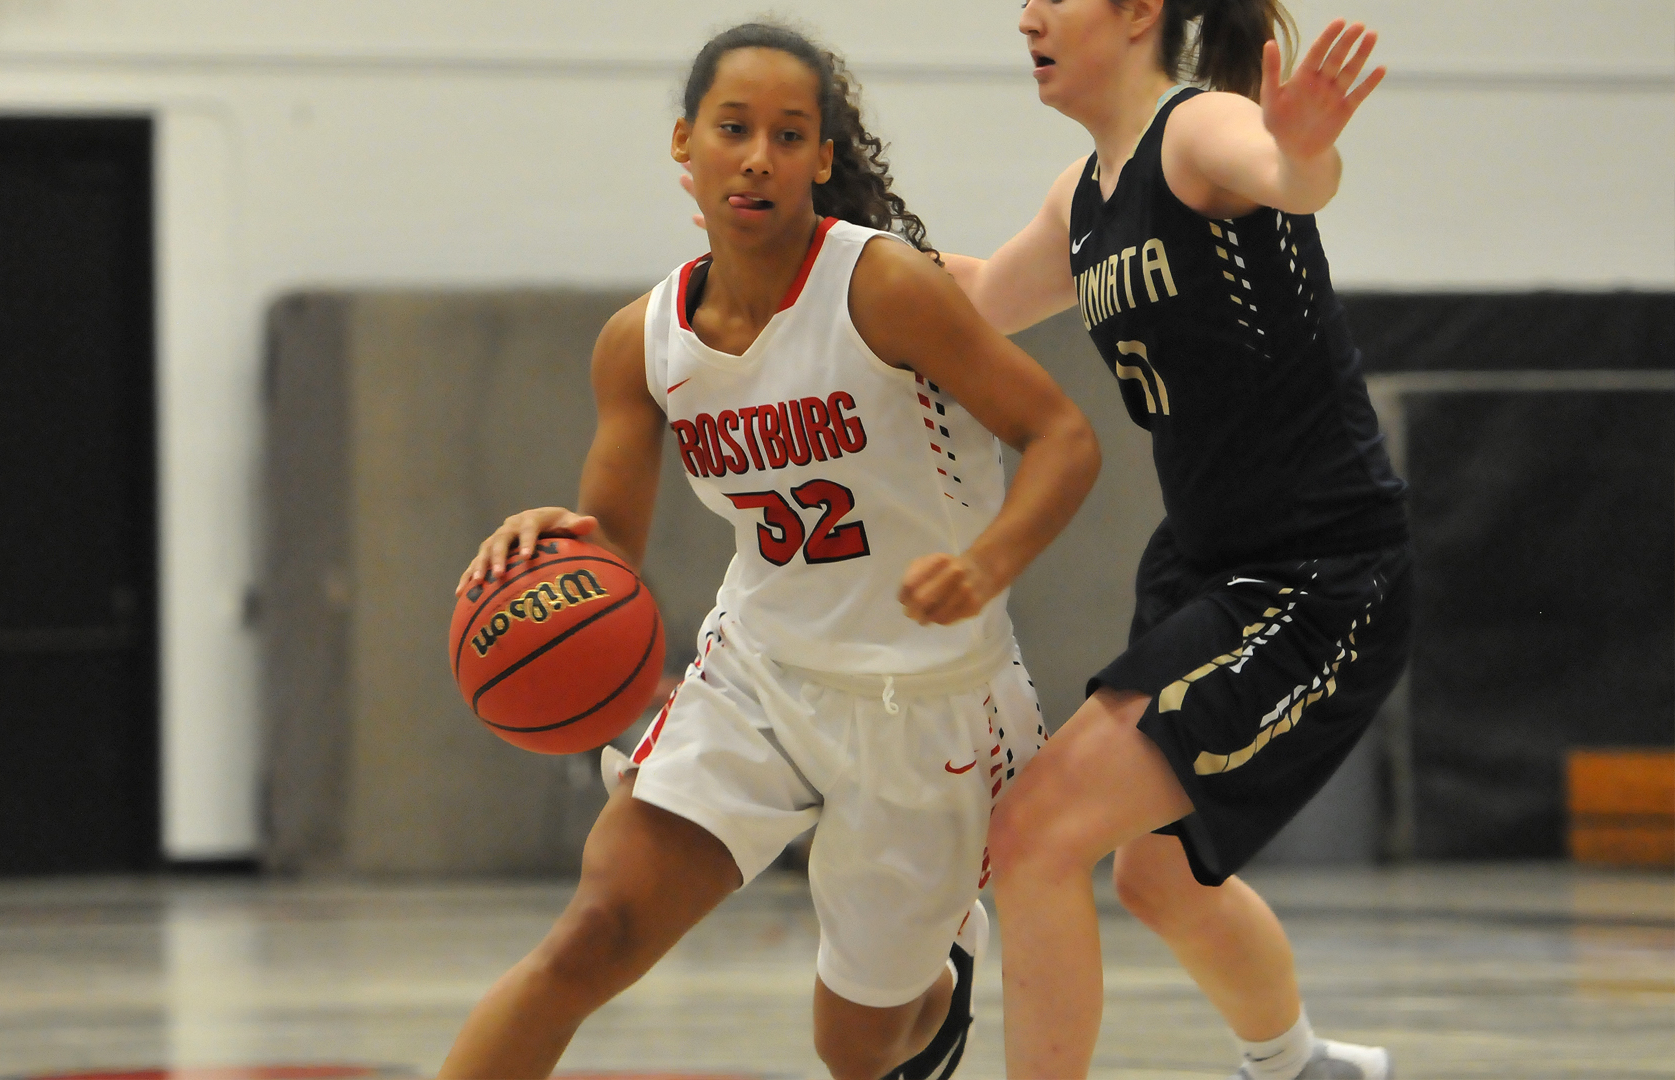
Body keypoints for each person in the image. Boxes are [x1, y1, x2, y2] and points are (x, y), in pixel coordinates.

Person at [439, 21, 1100, 1080]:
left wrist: (990, 563)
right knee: (590, 937)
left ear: (821, 160)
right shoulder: (644, 342)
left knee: (856, 1049)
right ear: (684, 145)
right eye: (733, 129)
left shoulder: (882, 287)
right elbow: (608, 549)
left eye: (789, 135)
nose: (758, 156)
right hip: (758, 674)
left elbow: (1065, 437)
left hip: (923, 701)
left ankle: (940, 987)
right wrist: (544, 551)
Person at [938, 1, 1410, 1078]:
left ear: (1139, 10)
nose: (1026, 16)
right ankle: (1302, 1068)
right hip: (1206, 563)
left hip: (1319, 576)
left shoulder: (1196, 132)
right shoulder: (1086, 198)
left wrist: (1301, 148)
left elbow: (1289, 175)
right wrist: (823, 253)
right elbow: (976, 298)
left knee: (1035, 836)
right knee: (1153, 877)